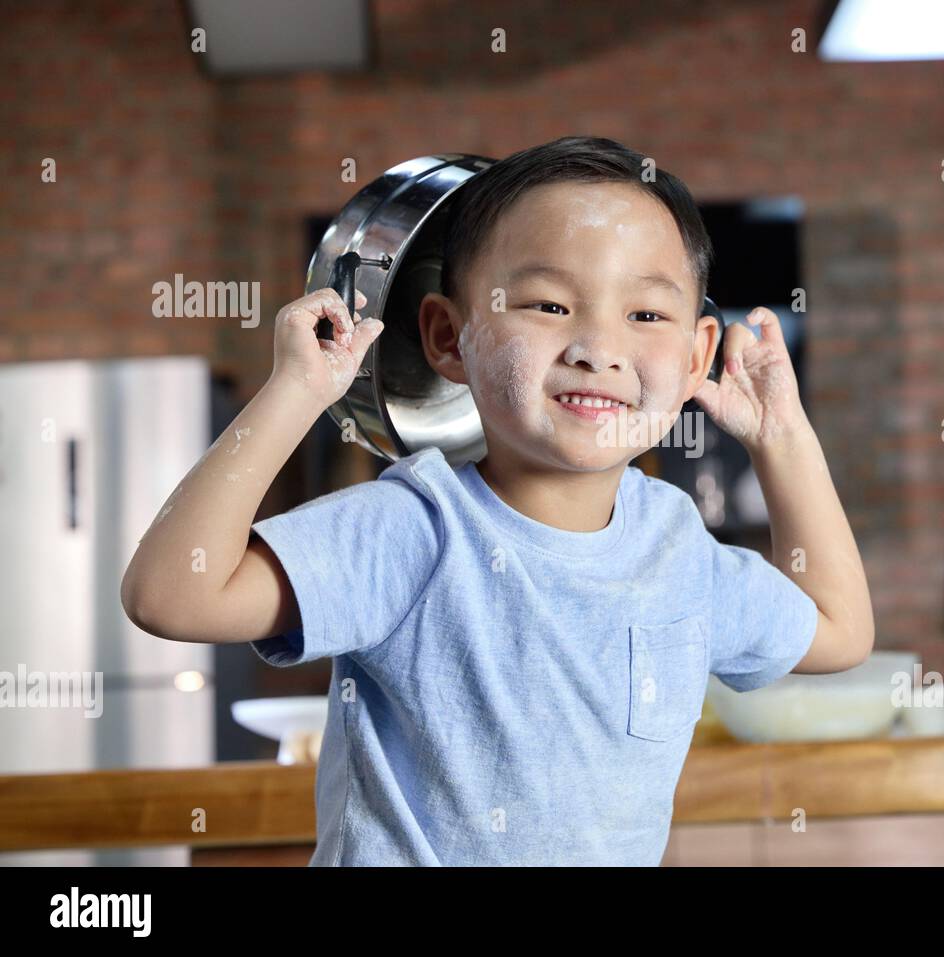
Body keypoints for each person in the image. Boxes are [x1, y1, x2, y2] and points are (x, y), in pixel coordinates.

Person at [121, 135, 874, 865]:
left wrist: (783, 436)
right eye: (547, 305)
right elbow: (170, 593)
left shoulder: (677, 547)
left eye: (645, 314)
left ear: (695, 357)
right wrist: (295, 391)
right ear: (450, 337)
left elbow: (841, 632)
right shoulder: (414, 528)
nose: (597, 347)